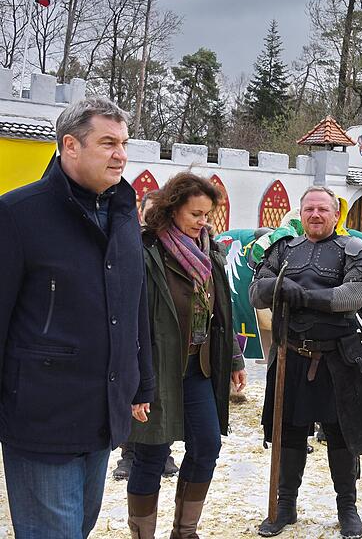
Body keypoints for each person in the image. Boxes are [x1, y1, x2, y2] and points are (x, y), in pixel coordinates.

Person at [0, 97, 155, 539]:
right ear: (70, 145)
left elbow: (135, 303)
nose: (121, 155)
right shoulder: (17, 214)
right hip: (41, 414)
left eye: (124, 143)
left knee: (78, 528)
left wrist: (141, 382)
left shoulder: (123, 215)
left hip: (103, 410)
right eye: (108, 143)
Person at [249, 186, 362, 539]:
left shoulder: (355, 250)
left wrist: (302, 295)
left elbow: (353, 296)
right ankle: (285, 506)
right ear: (301, 213)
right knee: (288, 432)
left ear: (336, 214)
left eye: (323, 209)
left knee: (341, 435)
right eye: (309, 209)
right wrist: (277, 288)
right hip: (291, 354)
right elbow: (256, 291)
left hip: (337, 358)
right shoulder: (283, 249)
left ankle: (347, 508)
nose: (315, 215)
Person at [125, 172, 246, 537]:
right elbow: (129, 318)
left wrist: (235, 360)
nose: (202, 221)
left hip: (198, 367)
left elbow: (220, 310)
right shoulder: (146, 251)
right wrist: (132, 379)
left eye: (207, 214)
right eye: (195, 214)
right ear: (172, 208)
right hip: (156, 368)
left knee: (207, 445)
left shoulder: (210, 251)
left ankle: (185, 531)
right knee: (151, 454)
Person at [114, 188, 180, 482]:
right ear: (141, 213)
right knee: (135, 390)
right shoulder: (132, 244)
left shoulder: (177, 247)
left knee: (162, 396)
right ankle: (128, 454)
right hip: (138, 331)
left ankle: (163, 452)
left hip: (167, 335)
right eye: (150, 212)